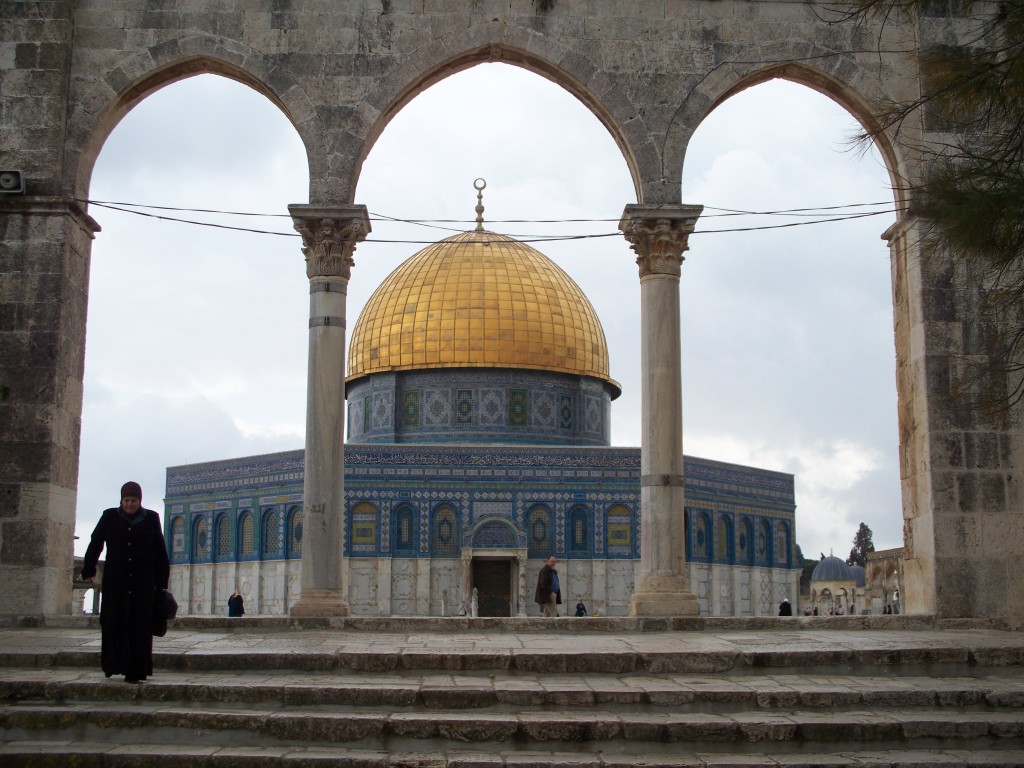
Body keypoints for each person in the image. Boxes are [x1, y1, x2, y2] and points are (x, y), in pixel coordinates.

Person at [80, 481, 169, 684]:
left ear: (140, 500)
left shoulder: (151, 518)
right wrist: (89, 569)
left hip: (142, 583)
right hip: (116, 582)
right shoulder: (109, 516)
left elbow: (159, 551)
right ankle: (113, 664)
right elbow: (96, 542)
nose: (129, 504)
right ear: (121, 500)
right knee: (114, 623)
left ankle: (135, 671)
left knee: (139, 627)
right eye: (126, 500)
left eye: (133, 501)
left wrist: (161, 583)